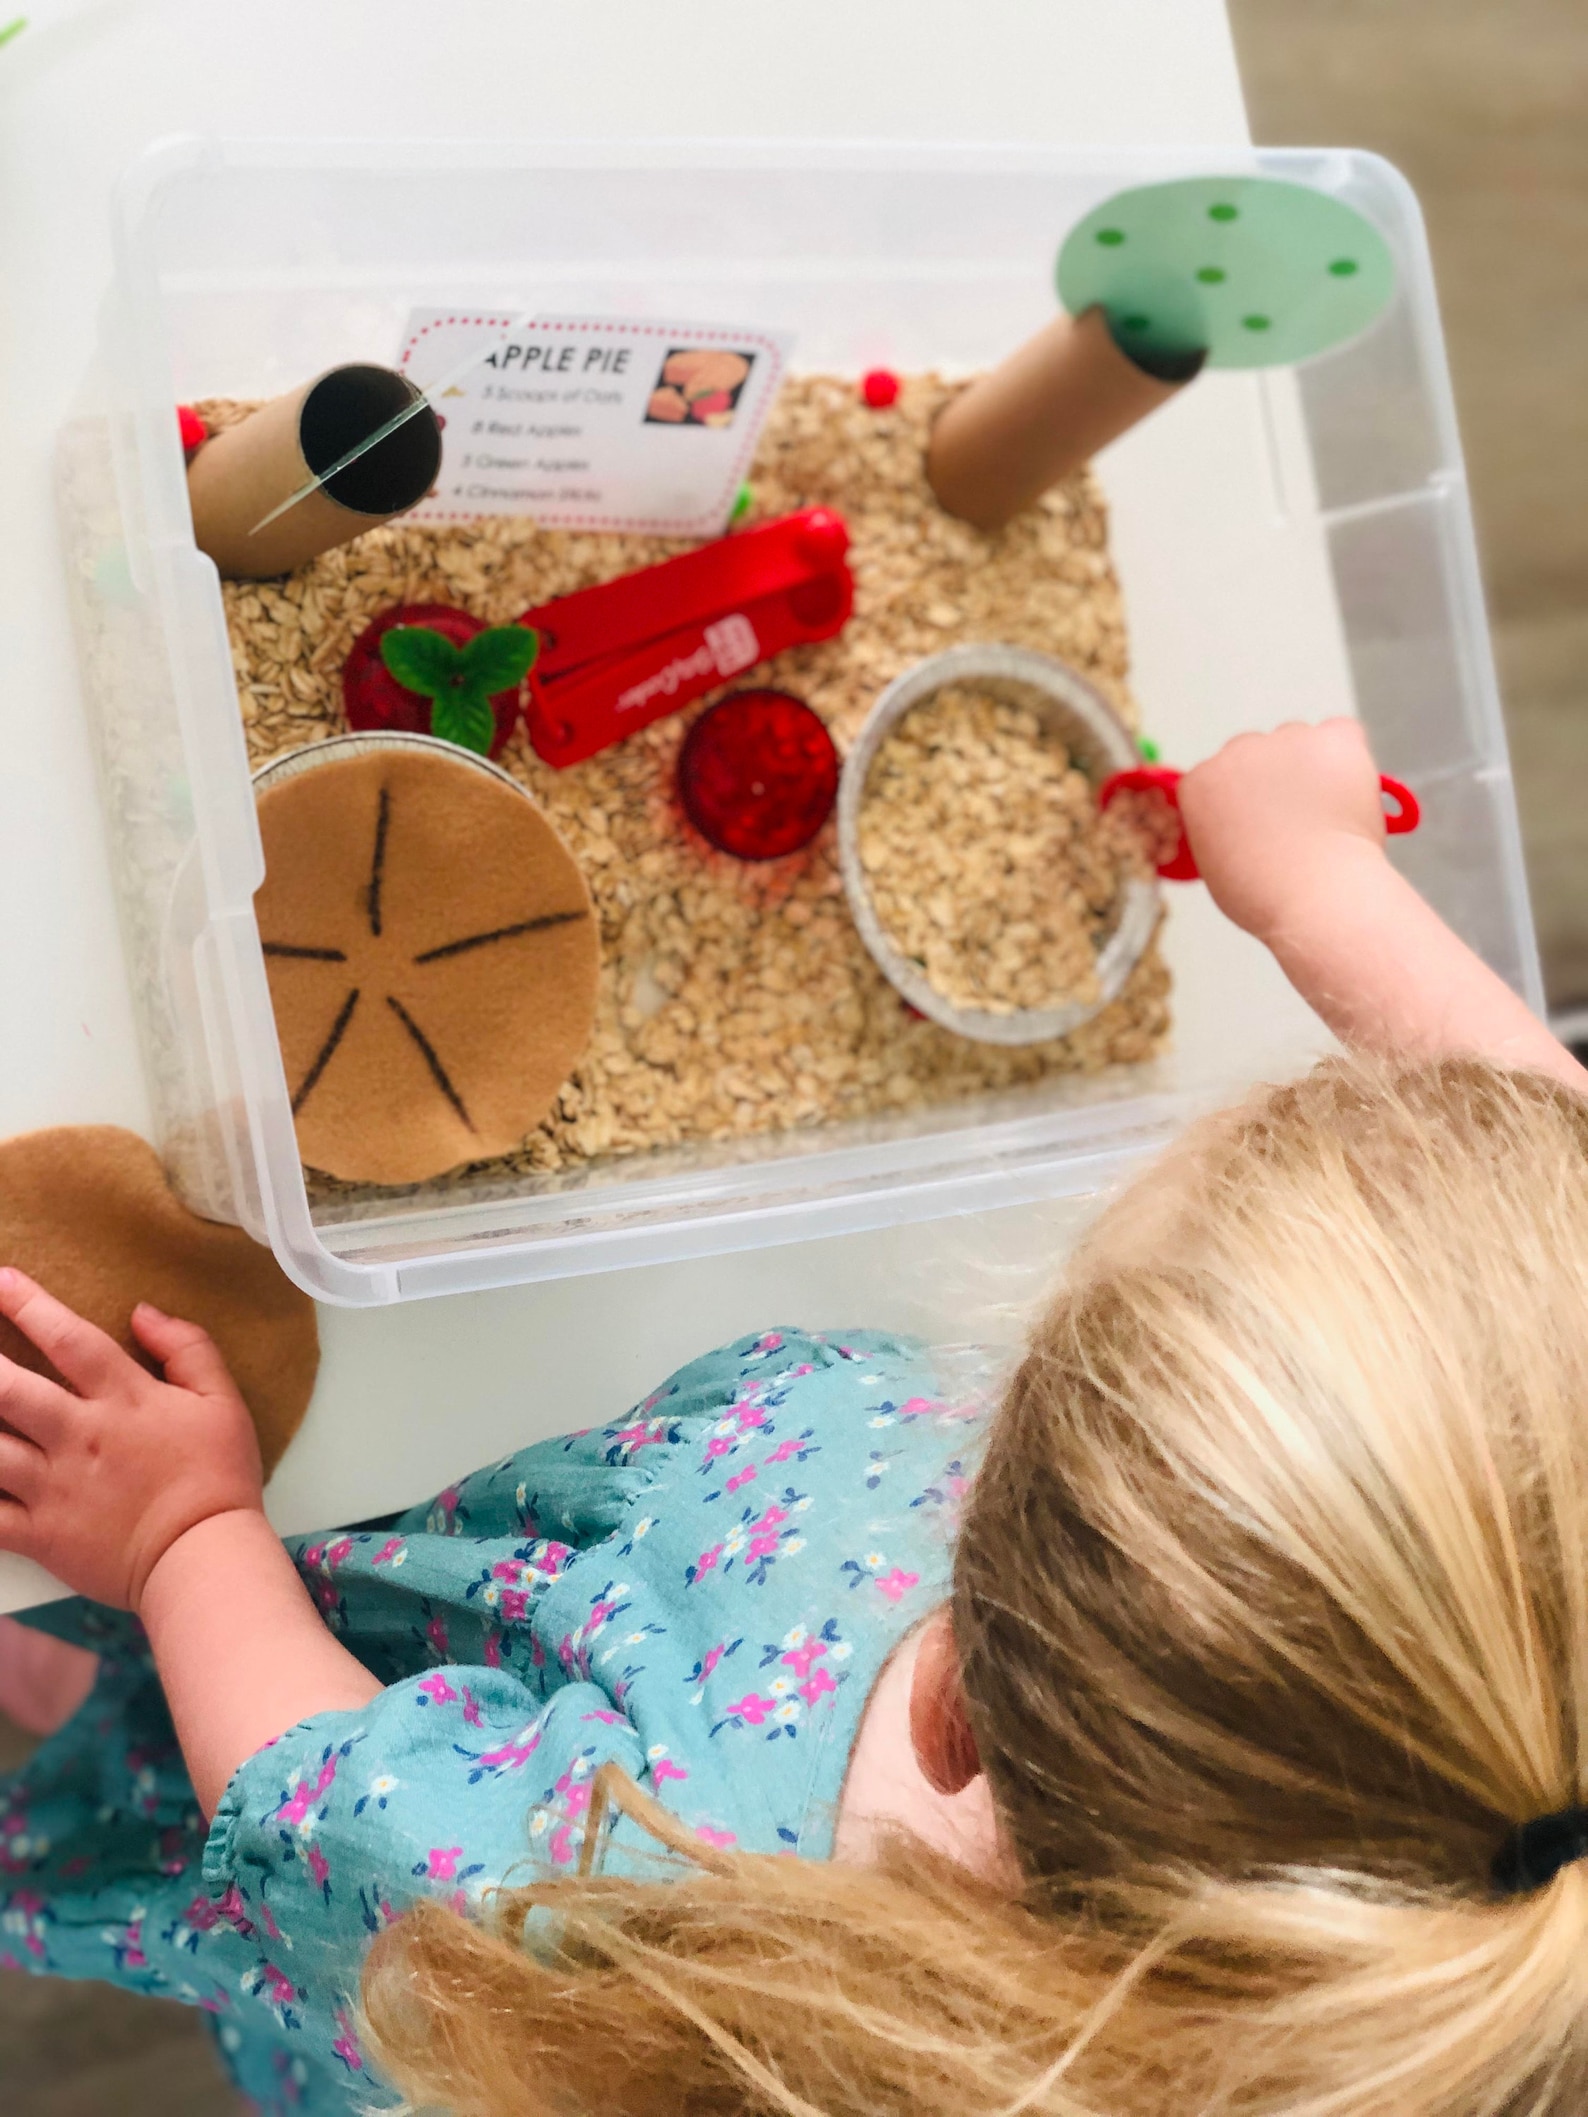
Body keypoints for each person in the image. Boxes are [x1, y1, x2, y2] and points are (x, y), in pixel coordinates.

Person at [2, 718, 1585, 2117]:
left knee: (147, 1674)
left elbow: (335, 1794)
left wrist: (183, 1536)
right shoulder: (1453, 1652)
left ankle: (89, 1684)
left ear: (958, 1698)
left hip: (365, 1725)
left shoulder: (680, 1927)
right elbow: (1535, 1227)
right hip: (540, 1533)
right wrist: (1318, 887)